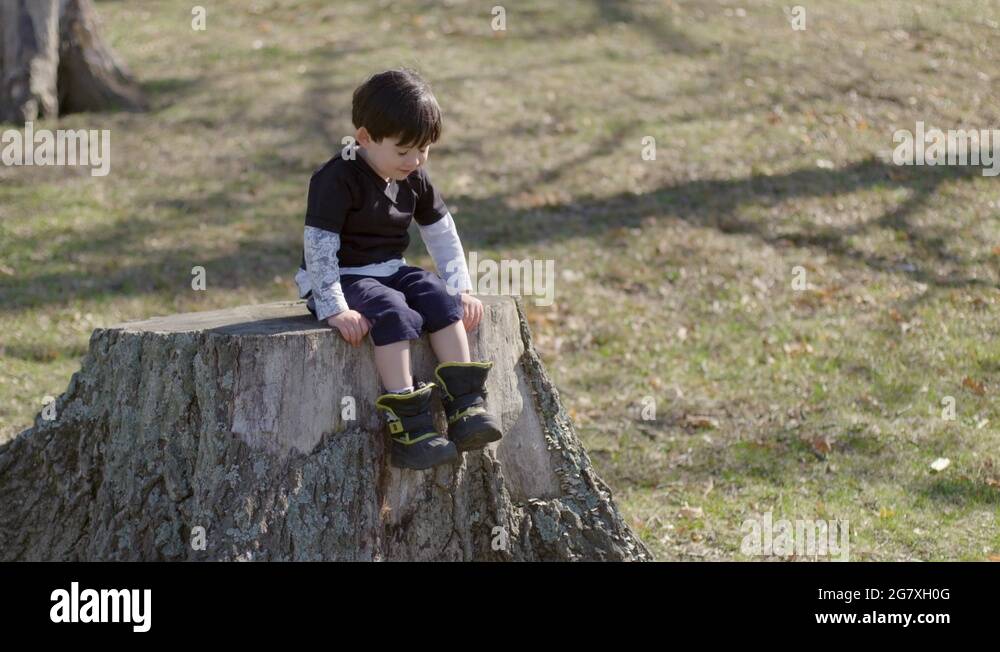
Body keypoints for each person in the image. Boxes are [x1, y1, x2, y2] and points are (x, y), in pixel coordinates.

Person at [294, 68, 502, 470]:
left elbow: (441, 232)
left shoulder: (414, 177)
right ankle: (410, 423)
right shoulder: (335, 179)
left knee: (438, 298)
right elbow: (319, 248)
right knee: (392, 310)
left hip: (390, 267)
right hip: (342, 276)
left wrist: (461, 288)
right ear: (365, 138)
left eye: (424, 149)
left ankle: (466, 405)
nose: (416, 160)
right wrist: (333, 307)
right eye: (404, 151)